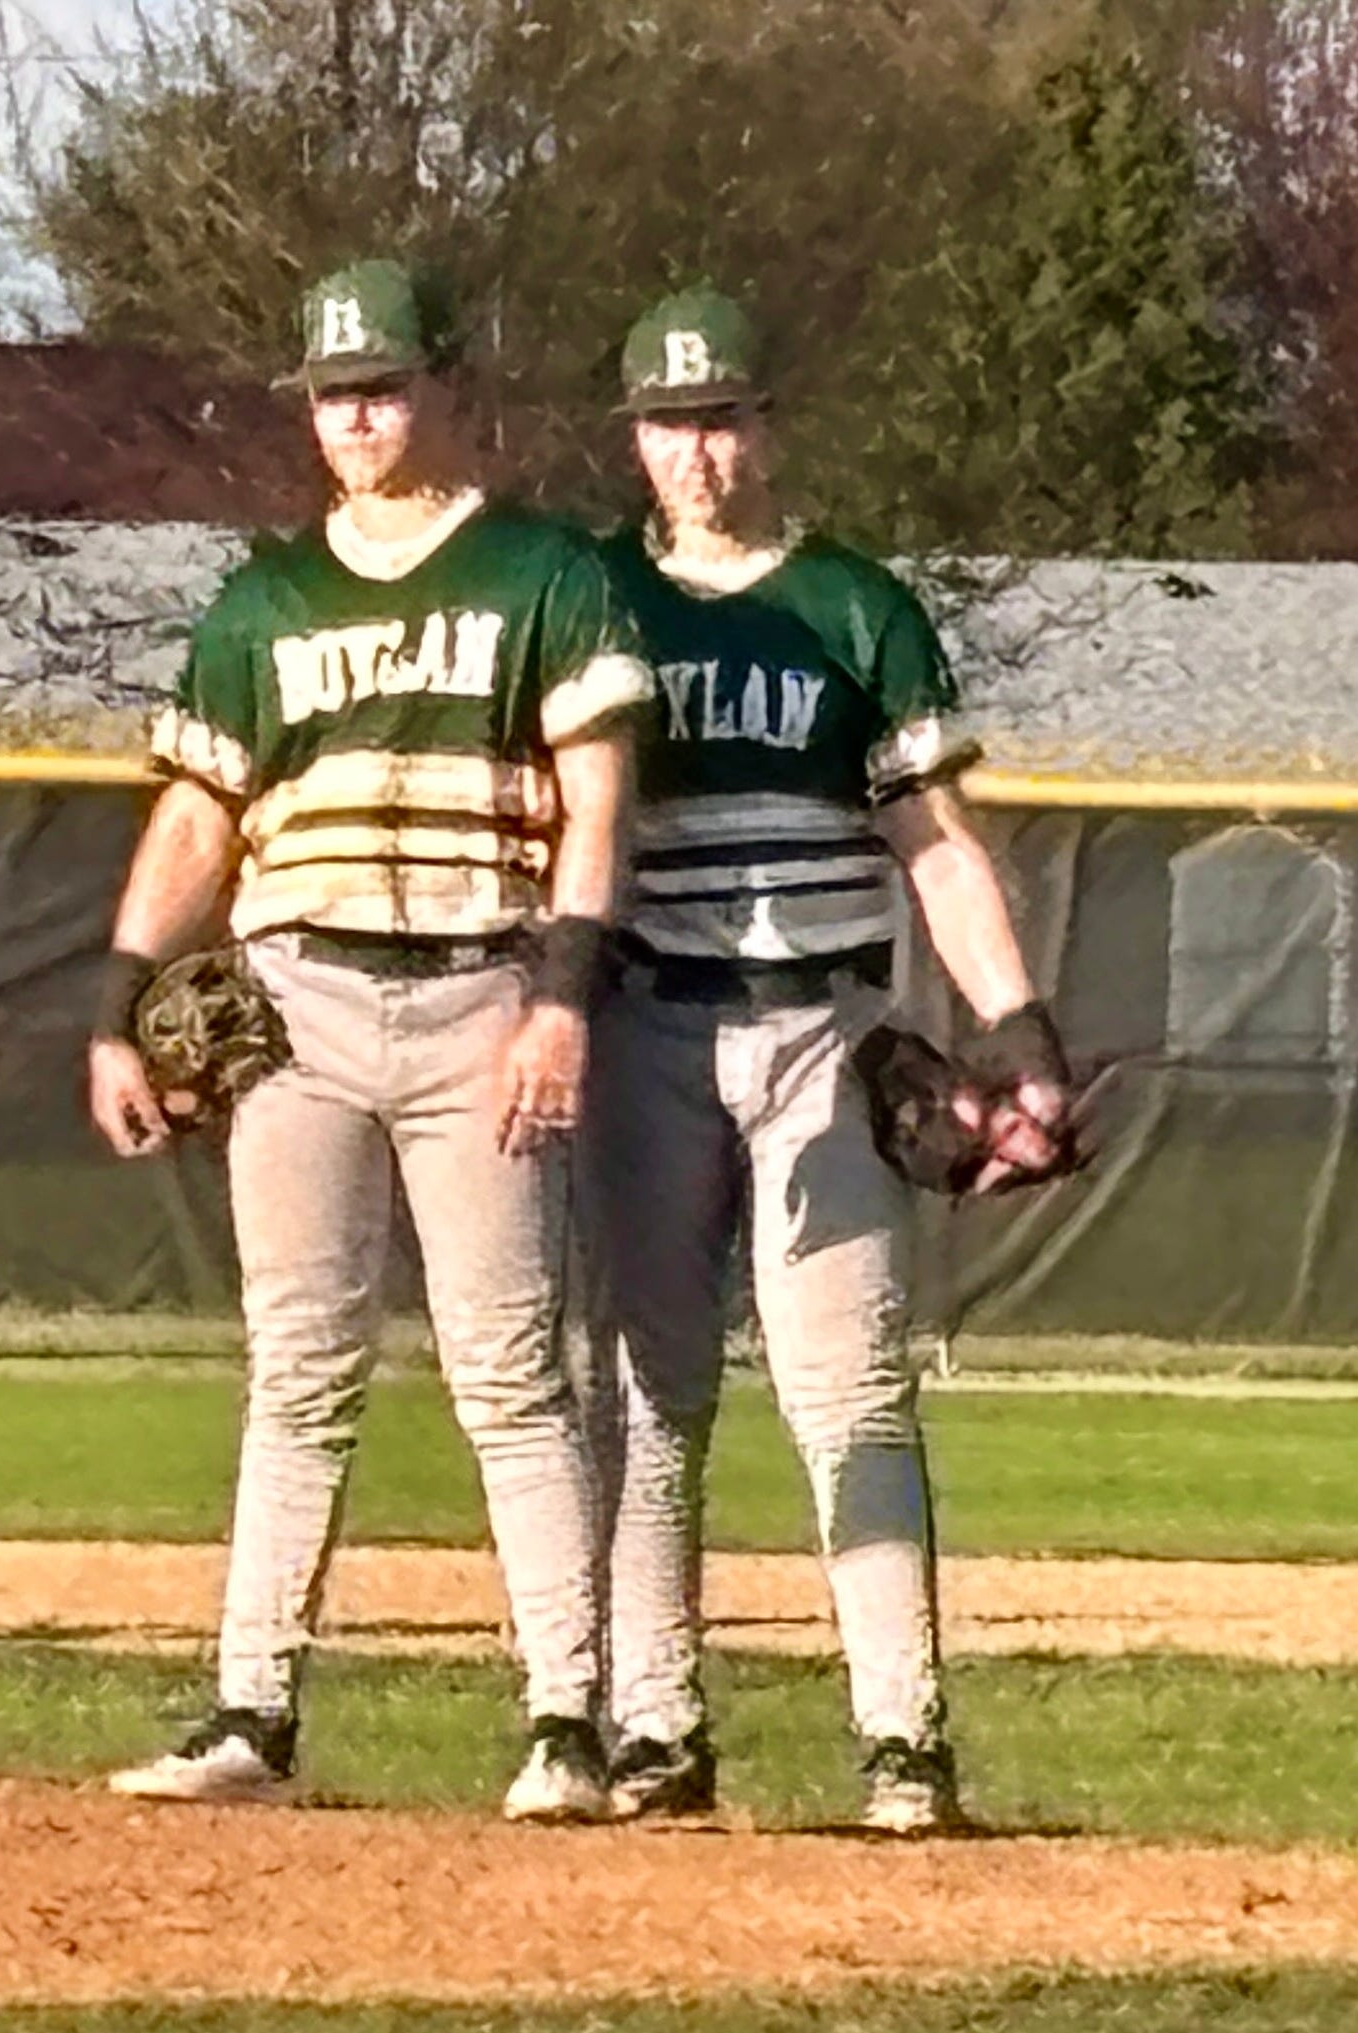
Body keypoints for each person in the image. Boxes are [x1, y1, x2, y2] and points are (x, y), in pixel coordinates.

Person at [89, 260, 647, 1820]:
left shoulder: (540, 571)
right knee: (298, 1373)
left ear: (443, 393)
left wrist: (560, 990)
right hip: (296, 1004)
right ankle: (248, 1714)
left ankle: (564, 1724)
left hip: (482, 989)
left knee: (508, 1376)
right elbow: (199, 812)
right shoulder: (265, 597)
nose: (355, 416)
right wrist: (115, 1001)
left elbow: (593, 800)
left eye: (382, 387)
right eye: (333, 393)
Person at [583, 288, 1069, 1835]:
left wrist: (1018, 1033)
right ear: (634, 439)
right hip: (642, 1018)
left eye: (720, 419)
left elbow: (930, 840)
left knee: (848, 1392)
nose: (697, 453)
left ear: (766, 427)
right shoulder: (587, 601)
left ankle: (899, 1737)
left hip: (824, 1030)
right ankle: (652, 1725)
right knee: (646, 1394)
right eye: (668, 424)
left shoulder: (856, 607)